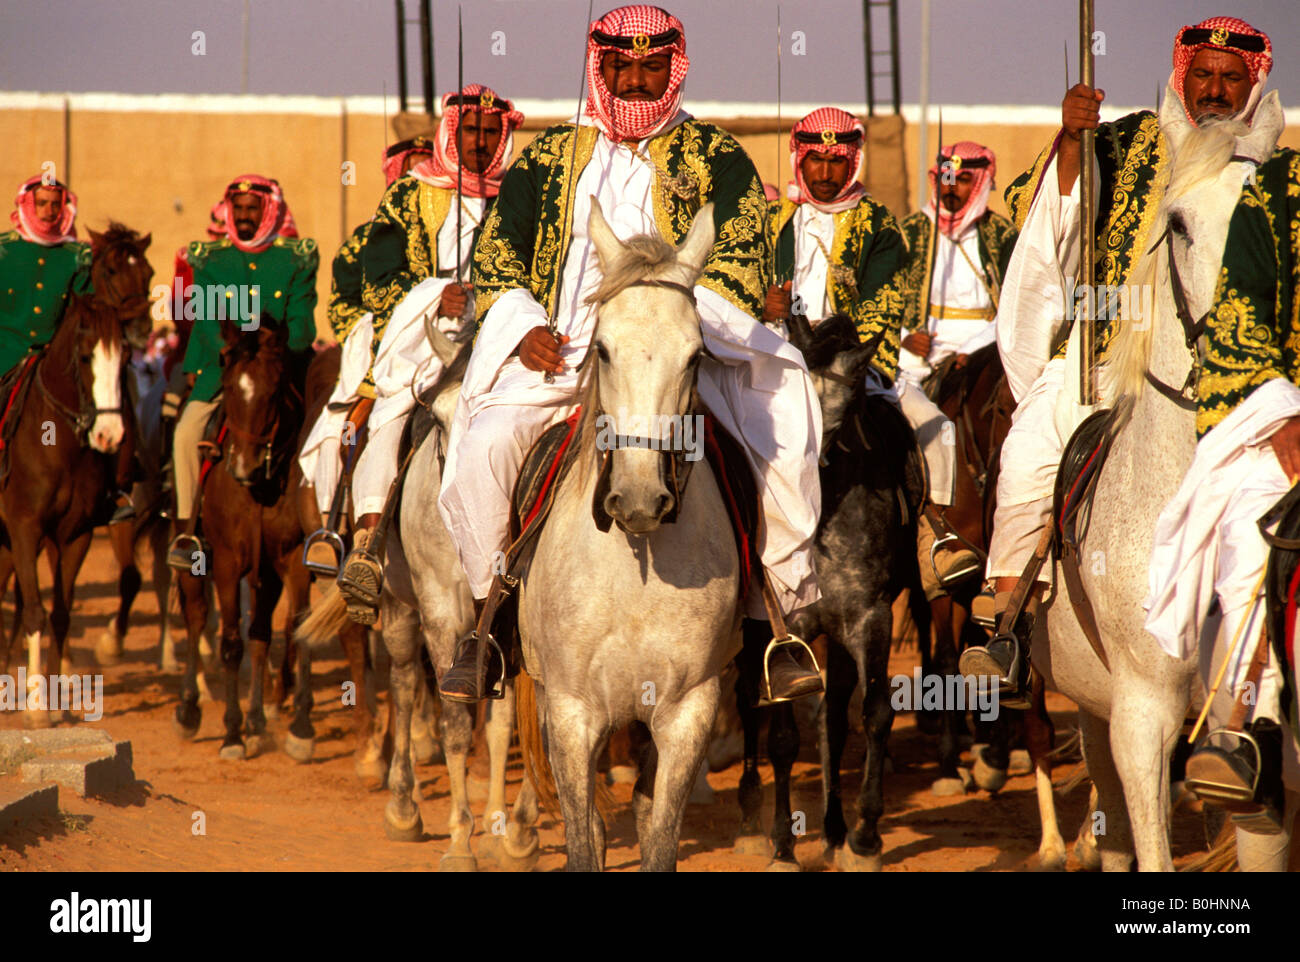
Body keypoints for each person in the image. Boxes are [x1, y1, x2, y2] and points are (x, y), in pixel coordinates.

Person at [435, 5, 823, 704]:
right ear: (599, 66)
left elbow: (740, 260)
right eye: (622, 66)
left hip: (679, 351)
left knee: (781, 440)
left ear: (673, 68)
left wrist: (665, 328)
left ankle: (775, 625)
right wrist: (523, 325)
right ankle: (491, 620)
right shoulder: (548, 161)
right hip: (566, 354)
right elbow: (496, 260)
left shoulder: (717, 156)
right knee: (485, 449)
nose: (636, 81)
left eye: (651, 67)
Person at [960, 18, 1286, 733]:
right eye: (1203, 74)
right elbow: (1041, 209)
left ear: (1254, 81)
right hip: (1108, 348)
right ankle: (1008, 621)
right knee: (1027, 452)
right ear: (1181, 75)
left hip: (1240, 363)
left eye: (1231, 77)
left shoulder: (1274, 166)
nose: (1214, 89)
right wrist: (1071, 142)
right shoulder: (1131, 137)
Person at [335, 85, 524, 619]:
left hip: (505, 340)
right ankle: (369, 546)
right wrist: (433, 296)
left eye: (492, 133)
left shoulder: (520, 196)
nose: (482, 143)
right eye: (472, 131)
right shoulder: (409, 196)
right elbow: (378, 283)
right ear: (451, 133)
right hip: (424, 344)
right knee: (390, 420)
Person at [165, 174, 318, 568]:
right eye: (239, 208)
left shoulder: (296, 257)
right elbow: (205, 320)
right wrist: (227, 351)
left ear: (269, 211)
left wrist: (276, 346)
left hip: (277, 369)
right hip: (226, 370)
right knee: (184, 434)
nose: (245, 215)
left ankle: (328, 529)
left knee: (326, 436)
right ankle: (187, 531)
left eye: (254, 208)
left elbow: (302, 322)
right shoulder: (210, 258)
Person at [298, 135, 434, 575]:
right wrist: (372, 333)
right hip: (376, 351)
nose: (419, 171)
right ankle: (336, 532)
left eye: (425, 162)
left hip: (447, 342)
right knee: (342, 433)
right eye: (411, 165)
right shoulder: (365, 241)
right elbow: (341, 305)